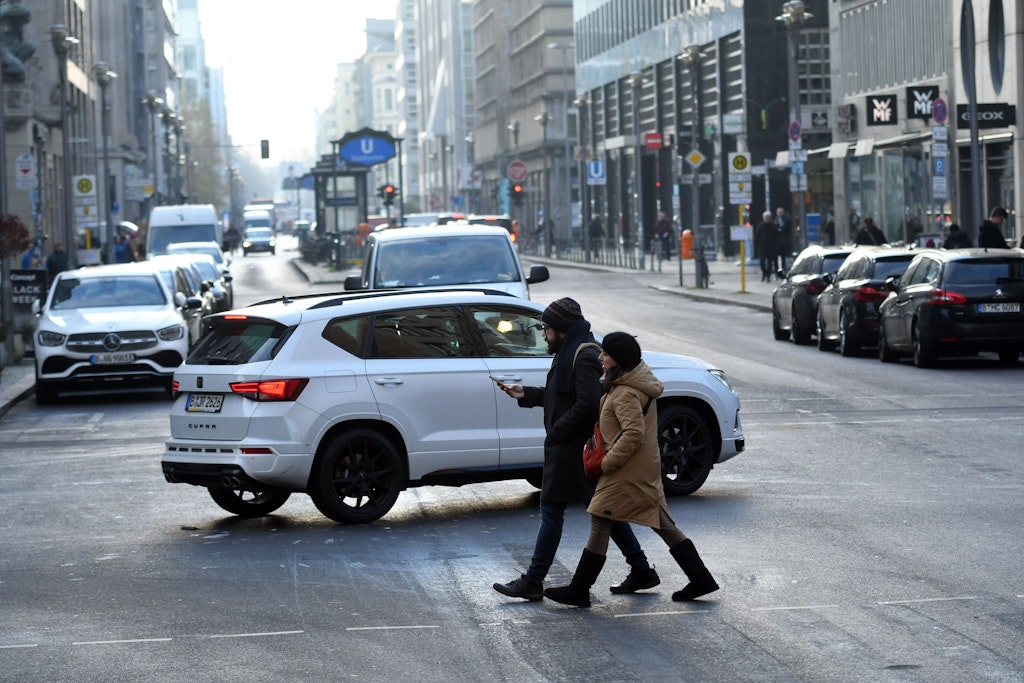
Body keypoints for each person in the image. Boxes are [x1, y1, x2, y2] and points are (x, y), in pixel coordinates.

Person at [493, 298, 659, 602]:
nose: (543, 333)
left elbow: (587, 403)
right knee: (604, 510)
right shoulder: (569, 349)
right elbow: (563, 396)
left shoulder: (582, 354)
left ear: (561, 329)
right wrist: (525, 394)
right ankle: (641, 568)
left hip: (573, 449)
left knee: (552, 510)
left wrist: (557, 432)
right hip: (572, 447)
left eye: (546, 328)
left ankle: (534, 579)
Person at [543, 332, 719, 608]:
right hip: (641, 468)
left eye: (605, 353)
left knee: (601, 520)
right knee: (661, 523)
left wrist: (607, 463)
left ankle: (579, 589)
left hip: (626, 471)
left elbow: (633, 433)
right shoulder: (632, 382)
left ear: (619, 359)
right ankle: (700, 578)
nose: (600, 357)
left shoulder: (625, 392)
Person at [754, 211, 779, 282]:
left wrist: (776, 246)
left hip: (771, 247)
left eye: (768, 217)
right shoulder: (760, 226)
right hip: (762, 247)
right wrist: (756, 245)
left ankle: (768, 276)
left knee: (769, 263)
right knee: (762, 262)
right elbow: (757, 236)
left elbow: (776, 237)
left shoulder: (773, 226)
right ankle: (764, 273)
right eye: (765, 217)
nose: (767, 219)